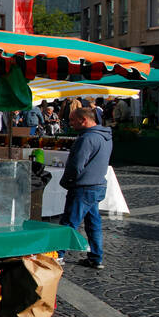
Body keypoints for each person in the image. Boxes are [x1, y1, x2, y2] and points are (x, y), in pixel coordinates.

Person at [58, 106, 112, 269]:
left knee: (69, 223)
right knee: (93, 223)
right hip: (96, 185)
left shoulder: (87, 138)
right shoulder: (105, 137)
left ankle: (58, 255)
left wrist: (67, 181)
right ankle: (96, 257)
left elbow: (76, 165)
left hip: (84, 187)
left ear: (84, 120)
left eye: (73, 120)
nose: (71, 123)